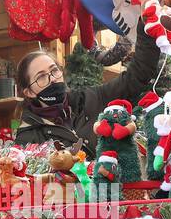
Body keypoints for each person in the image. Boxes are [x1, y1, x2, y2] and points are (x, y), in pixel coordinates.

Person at [14, 23, 163, 157]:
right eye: (41, 77)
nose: (52, 78)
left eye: (54, 70)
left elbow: (136, 76)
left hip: (113, 186)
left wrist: (146, 23)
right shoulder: (28, 138)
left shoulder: (91, 99)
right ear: (29, 92)